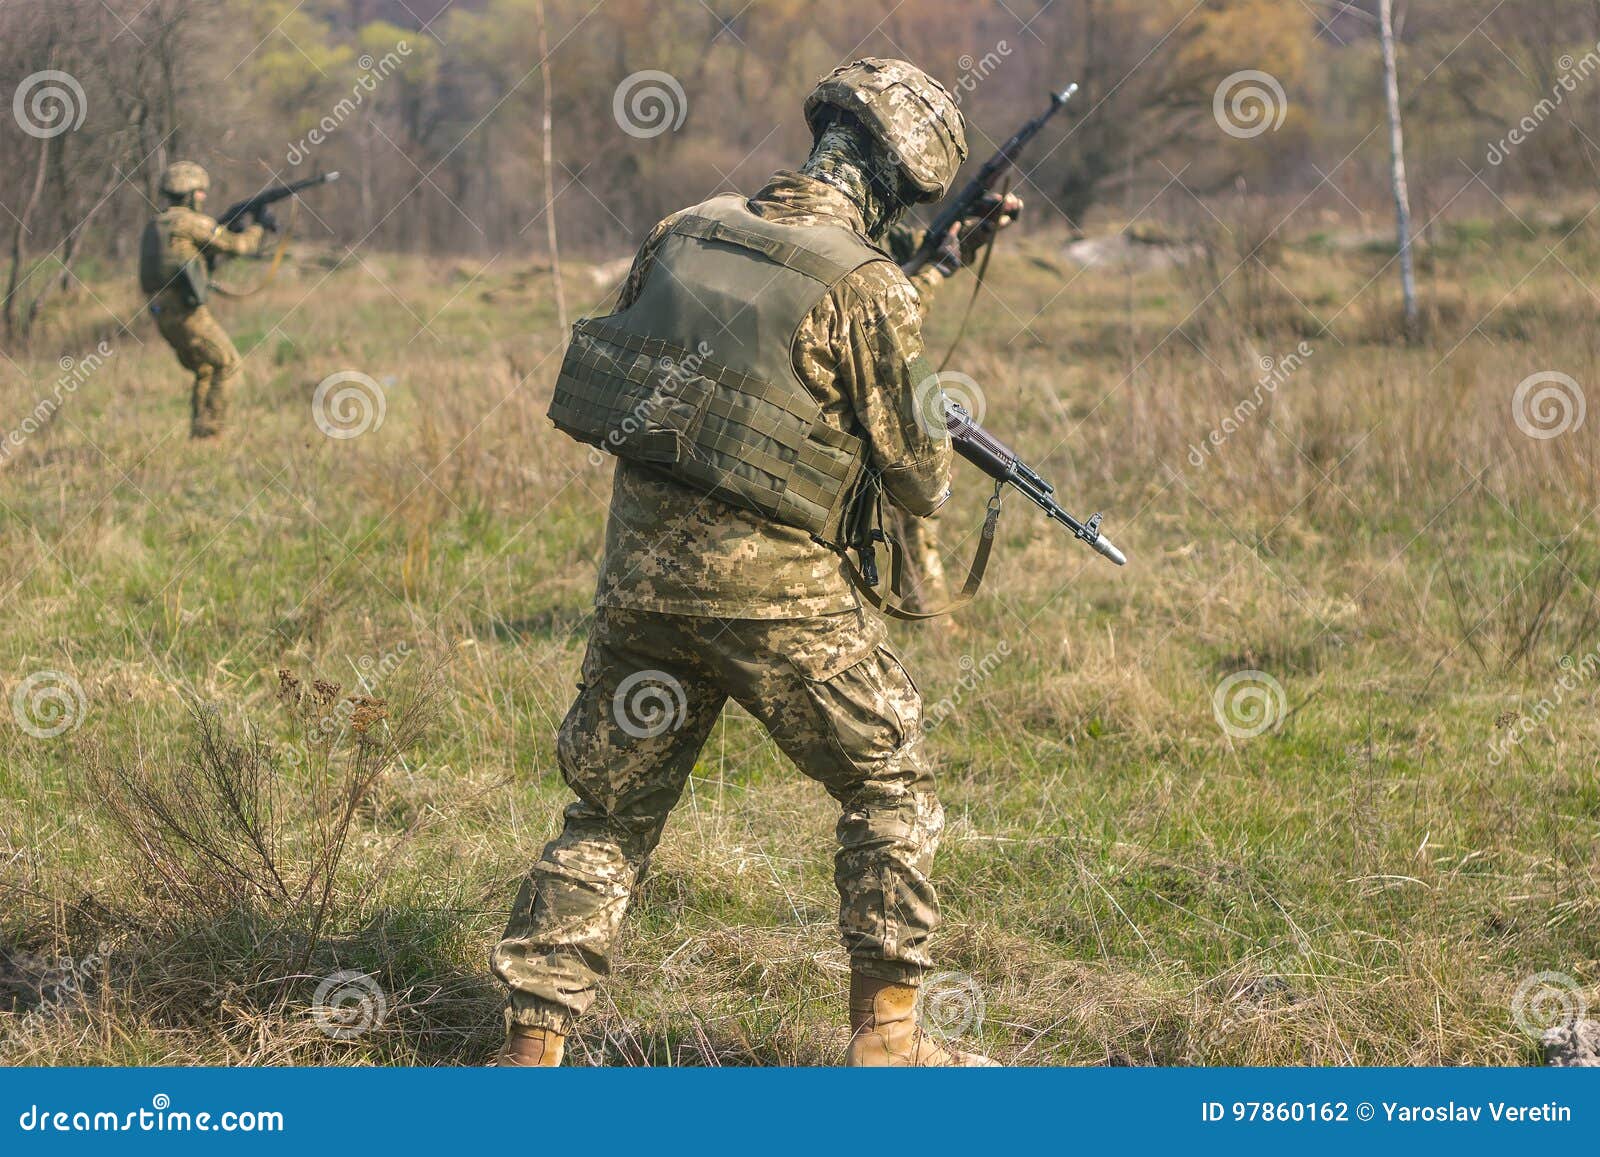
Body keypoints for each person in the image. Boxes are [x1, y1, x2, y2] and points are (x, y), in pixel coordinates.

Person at [492, 58, 1019, 1067]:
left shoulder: (684, 229)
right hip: (780, 605)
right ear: (903, 178)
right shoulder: (868, 285)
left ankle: (529, 1051)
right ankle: (888, 1044)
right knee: (890, 784)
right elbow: (917, 480)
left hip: (640, 586)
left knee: (607, 812)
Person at [139, 162, 265, 438]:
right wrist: (258, 227)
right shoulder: (190, 222)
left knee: (206, 368)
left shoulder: (156, 224)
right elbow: (239, 245)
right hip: (187, 313)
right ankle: (212, 432)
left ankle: (200, 434)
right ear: (189, 194)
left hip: (162, 312)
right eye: (200, 192)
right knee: (228, 363)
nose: (203, 197)